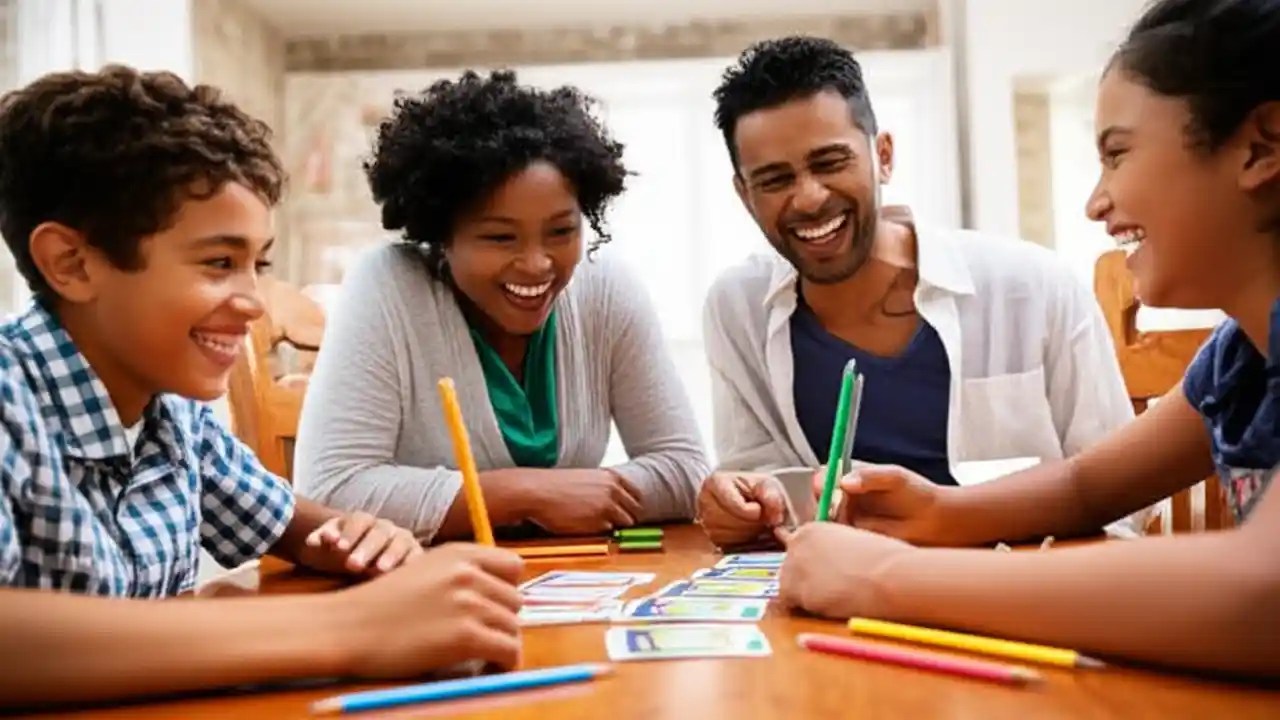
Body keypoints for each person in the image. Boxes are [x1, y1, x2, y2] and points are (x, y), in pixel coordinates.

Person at [776, 0, 1280, 679]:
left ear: (1262, 147)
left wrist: (887, 577)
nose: (1096, 202)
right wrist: (941, 514)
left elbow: (1261, 590)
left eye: (1118, 154)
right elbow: (1085, 486)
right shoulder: (1239, 357)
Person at [0, 66, 524, 709]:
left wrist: (365, 539)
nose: (252, 301)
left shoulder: (171, 415)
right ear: (72, 264)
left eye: (259, 263)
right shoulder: (9, 399)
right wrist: (353, 628)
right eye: (219, 263)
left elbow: (298, 528)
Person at [694, 36, 1140, 548]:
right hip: (842, 599)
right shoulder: (737, 309)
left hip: (1021, 592)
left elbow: (1125, 496)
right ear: (743, 194)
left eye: (830, 162)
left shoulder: (1033, 289)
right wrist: (740, 505)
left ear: (882, 156)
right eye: (774, 179)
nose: (809, 197)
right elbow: (761, 485)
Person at [293, 70, 708, 542]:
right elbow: (329, 492)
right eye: (498, 237)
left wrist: (572, 496)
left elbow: (685, 469)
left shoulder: (607, 289)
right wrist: (525, 495)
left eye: (561, 232)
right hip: (422, 595)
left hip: (569, 591)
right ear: (441, 236)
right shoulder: (388, 286)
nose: (536, 264)